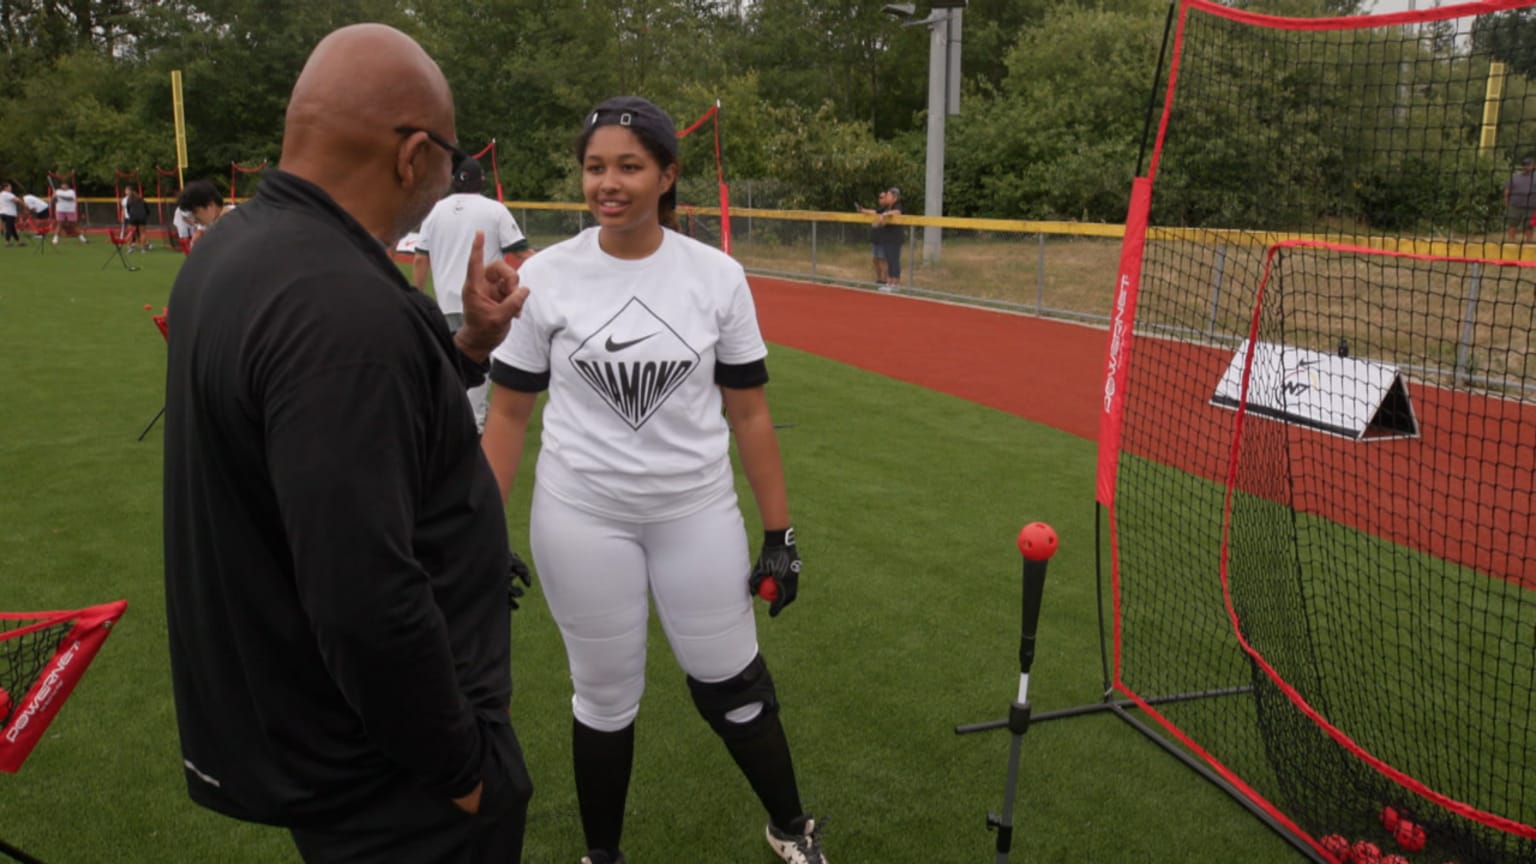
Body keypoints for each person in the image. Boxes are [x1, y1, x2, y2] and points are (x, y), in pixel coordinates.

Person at [162, 23, 534, 864]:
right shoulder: (340, 305)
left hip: (315, 735)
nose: (447, 178)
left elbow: (331, 431)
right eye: (446, 156)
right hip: (388, 777)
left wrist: (468, 348)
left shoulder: (232, 250)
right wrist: (463, 769)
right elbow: (363, 594)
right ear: (411, 155)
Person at [481, 95, 827, 864]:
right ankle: (602, 857)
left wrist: (780, 534)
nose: (610, 183)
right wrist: (479, 531)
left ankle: (790, 829)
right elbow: (507, 416)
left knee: (732, 683)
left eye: (630, 167)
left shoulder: (717, 276)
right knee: (604, 699)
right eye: (596, 167)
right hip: (581, 517)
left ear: (667, 174)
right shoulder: (547, 274)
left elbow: (750, 416)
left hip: (694, 511)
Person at [413, 156, 535, 433]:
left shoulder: (435, 209)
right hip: (483, 302)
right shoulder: (494, 210)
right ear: (482, 181)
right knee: (481, 363)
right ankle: (471, 425)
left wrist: (417, 296)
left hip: (445, 304)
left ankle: (446, 418)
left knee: (450, 365)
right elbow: (521, 252)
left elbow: (420, 258)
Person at [855, 187, 903, 291]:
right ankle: (889, 283)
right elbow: (875, 211)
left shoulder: (897, 205)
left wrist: (885, 214)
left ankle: (895, 284)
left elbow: (897, 212)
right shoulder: (887, 207)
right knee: (889, 260)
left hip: (895, 238)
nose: (887, 197)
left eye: (889, 195)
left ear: (894, 197)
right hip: (888, 237)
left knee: (894, 260)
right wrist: (863, 210)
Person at [176, 180, 228, 244]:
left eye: (195, 212)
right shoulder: (208, 225)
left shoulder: (237, 220)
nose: (194, 219)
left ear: (210, 205)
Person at [1506, 157, 1536, 243]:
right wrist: (1507, 201)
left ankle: (1529, 242)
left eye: (1529, 165)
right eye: (1525, 165)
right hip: (1515, 205)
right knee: (1513, 224)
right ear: (1522, 167)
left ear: (1533, 166)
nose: (1527, 167)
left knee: (1529, 226)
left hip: (1531, 206)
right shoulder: (1514, 177)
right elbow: (1507, 191)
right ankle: (1511, 242)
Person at [124, 187, 151, 252]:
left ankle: (130, 248)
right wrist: (147, 215)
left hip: (133, 217)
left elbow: (128, 210)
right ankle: (143, 249)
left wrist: (131, 216)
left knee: (130, 232)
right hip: (142, 217)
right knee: (142, 233)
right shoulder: (142, 200)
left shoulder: (129, 201)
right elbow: (147, 209)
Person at [0, 182, 19, 247]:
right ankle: (7, 242)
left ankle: (18, 241)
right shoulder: (8, 194)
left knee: (12, 228)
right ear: (5, 188)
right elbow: (16, 200)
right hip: (9, 213)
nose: (11, 188)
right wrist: (23, 203)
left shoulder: (1, 194)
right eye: (9, 187)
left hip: (3, 213)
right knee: (9, 228)